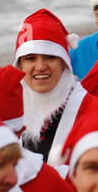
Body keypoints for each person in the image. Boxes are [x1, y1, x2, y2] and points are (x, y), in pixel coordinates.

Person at [14, 9, 93, 165]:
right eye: (30, 58)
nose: (40, 66)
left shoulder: (91, 109)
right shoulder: (6, 109)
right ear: (19, 65)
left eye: (50, 57)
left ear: (64, 63)